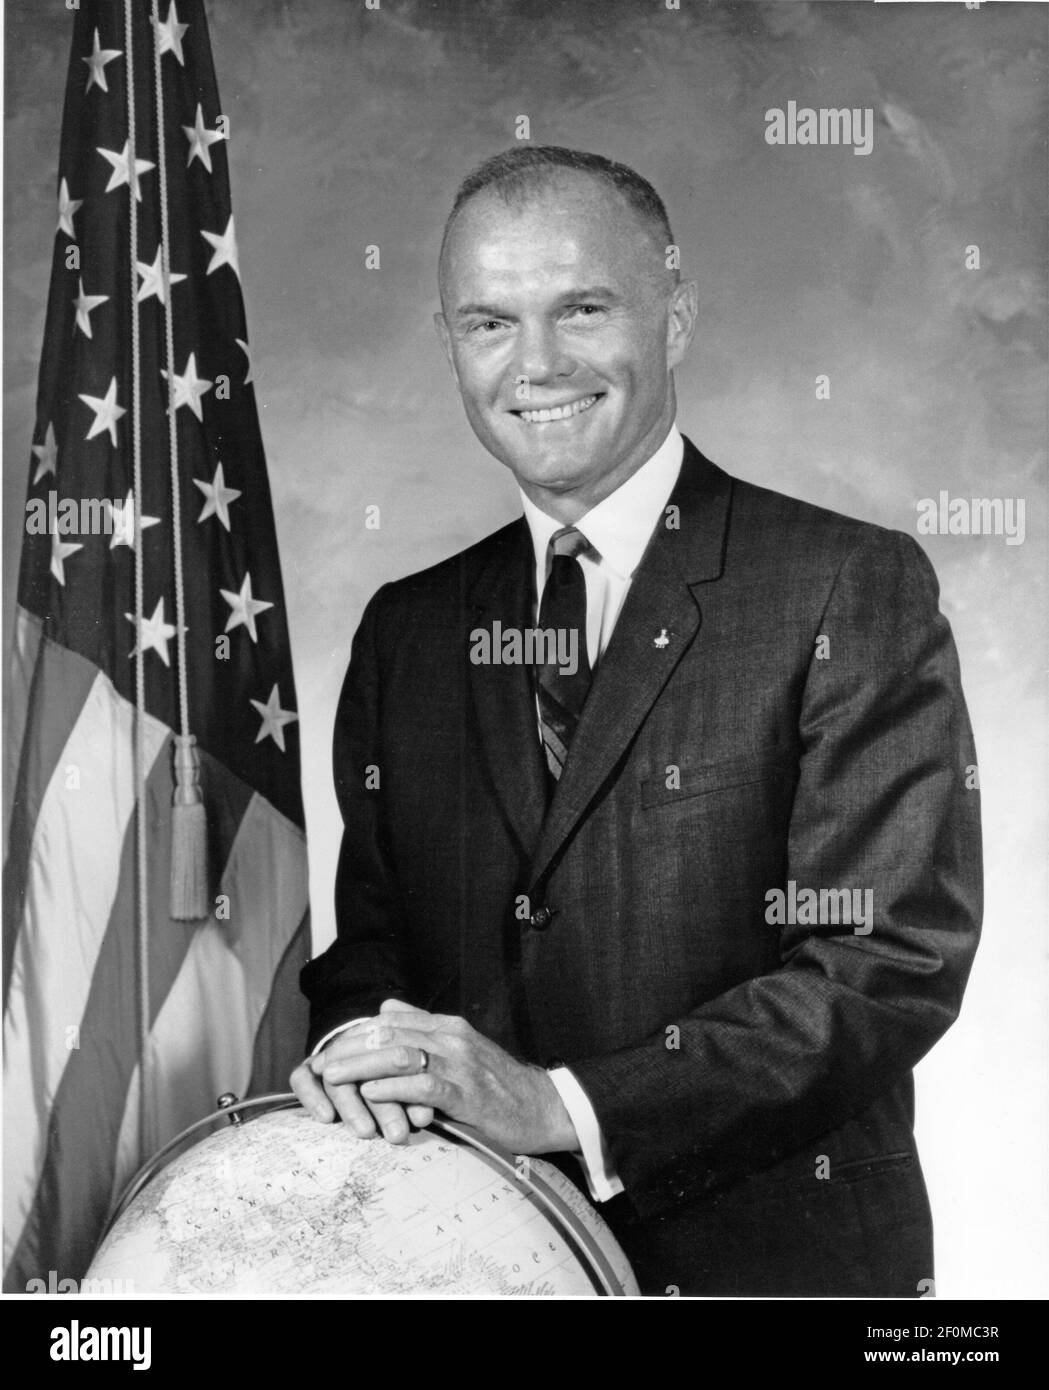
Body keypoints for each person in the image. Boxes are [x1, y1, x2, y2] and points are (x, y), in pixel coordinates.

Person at [290, 145, 982, 1297]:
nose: (537, 363)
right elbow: (370, 954)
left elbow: (884, 961)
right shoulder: (403, 632)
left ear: (674, 317)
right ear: (450, 345)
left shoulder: (841, 584)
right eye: (488, 322)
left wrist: (561, 1105)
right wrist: (363, 1054)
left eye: (581, 308)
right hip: (463, 1267)